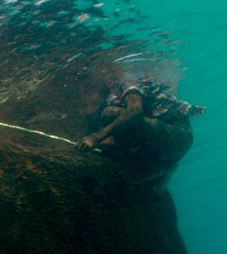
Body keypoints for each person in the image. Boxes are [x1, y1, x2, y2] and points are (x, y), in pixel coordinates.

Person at [76, 79, 205, 190]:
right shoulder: (113, 92)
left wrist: (95, 138)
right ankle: (156, 165)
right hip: (162, 136)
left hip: (178, 136)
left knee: (110, 113)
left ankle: (163, 167)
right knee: (110, 143)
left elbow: (134, 111)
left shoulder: (128, 83)